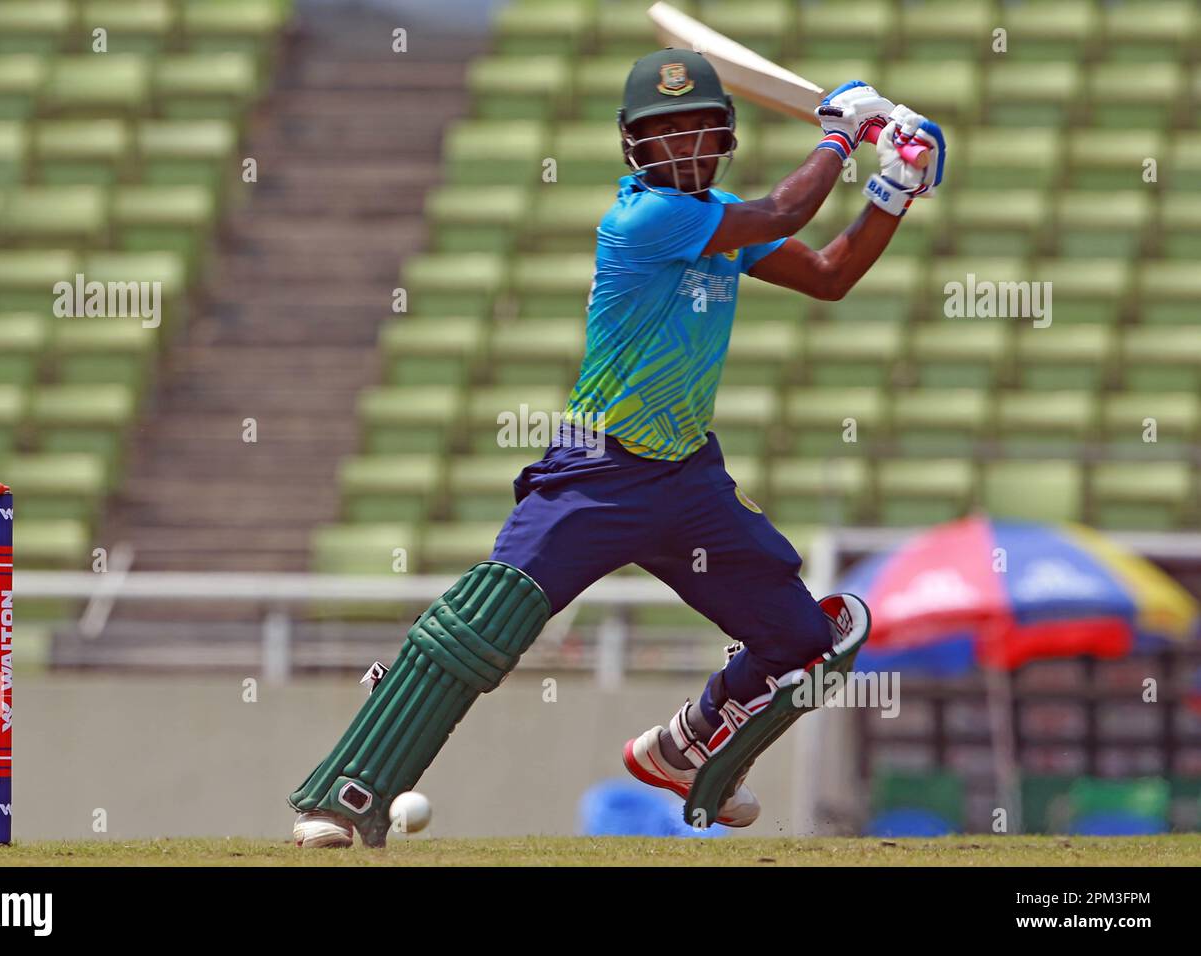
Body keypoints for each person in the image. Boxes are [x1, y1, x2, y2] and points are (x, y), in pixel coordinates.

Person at [290, 48, 945, 848]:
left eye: (698, 130)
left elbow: (829, 276)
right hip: (596, 472)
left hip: (688, 480)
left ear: (722, 137)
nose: (680, 147)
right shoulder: (644, 219)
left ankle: (684, 747)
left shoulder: (721, 219)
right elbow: (781, 215)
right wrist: (841, 138)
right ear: (634, 146)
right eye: (662, 133)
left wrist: (893, 191)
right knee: (481, 624)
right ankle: (345, 793)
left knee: (802, 640)